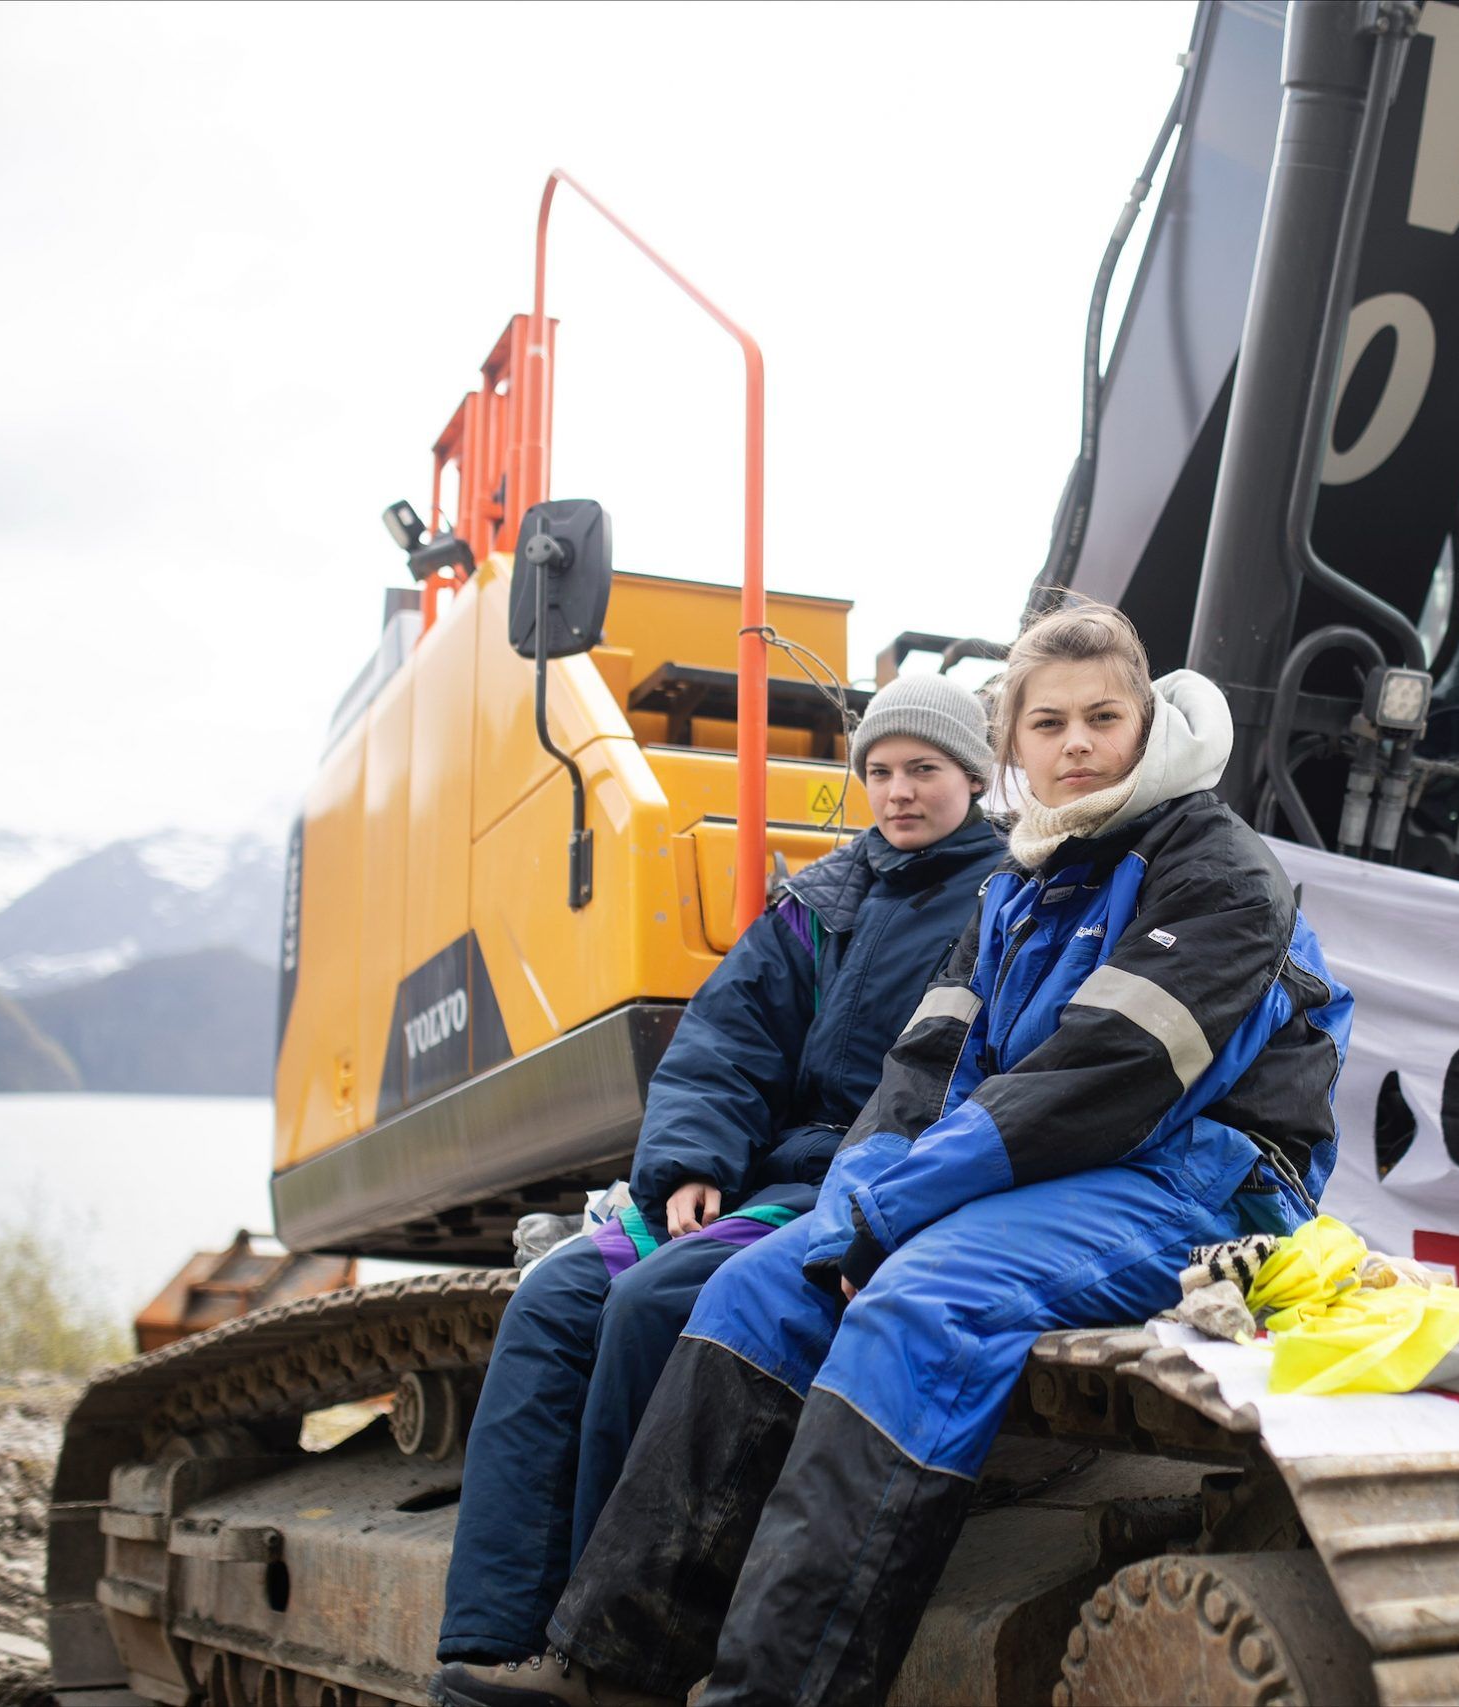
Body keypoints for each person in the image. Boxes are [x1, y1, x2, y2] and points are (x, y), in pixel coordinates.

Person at [500, 601, 1352, 1707]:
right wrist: (853, 1209)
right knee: (762, 1285)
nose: (1078, 743)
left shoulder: (1217, 871)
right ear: (1014, 748)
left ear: (1145, 723)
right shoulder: (1018, 888)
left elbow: (1101, 1082)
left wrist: (888, 1219)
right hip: (1051, 1174)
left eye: (1103, 717)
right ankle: (618, 1665)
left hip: (1199, 1178)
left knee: (920, 1300)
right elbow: (915, 1083)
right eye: (1048, 723)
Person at [430, 673, 1006, 1699]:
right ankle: (498, 1639)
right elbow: (726, 1041)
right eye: (879, 770)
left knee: (651, 1305)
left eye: (923, 769)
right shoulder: (822, 900)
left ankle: (593, 1653)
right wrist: (694, 1159)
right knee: (556, 1296)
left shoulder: (1003, 902)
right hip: (762, 1176)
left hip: (850, 1183)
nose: (898, 791)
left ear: (973, 775)